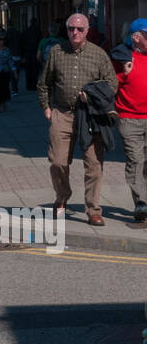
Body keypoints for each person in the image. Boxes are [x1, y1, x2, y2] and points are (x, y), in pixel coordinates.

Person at [37, 12, 118, 226]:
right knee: (57, 162)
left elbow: (112, 84)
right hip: (62, 113)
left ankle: (93, 209)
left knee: (93, 164)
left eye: (80, 29)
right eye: (71, 28)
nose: (75, 32)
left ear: (87, 30)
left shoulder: (99, 54)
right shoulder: (56, 52)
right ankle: (62, 197)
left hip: (90, 116)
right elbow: (44, 82)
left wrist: (92, 95)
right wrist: (46, 108)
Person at [113, 18, 147, 227]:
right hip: (129, 119)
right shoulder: (123, 57)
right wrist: (124, 73)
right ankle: (141, 204)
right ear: (136, 37)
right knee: (136, 161)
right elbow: (111, 86)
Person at [22, 17, 41, 91]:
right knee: (34, 70)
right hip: (35, 52)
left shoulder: (26, 31)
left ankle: (28, 85)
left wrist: (23, 54)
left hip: (27, 53)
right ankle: (33, 85)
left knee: (28, 69)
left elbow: (22, 43)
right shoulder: (37, 31)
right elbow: (40, 41)